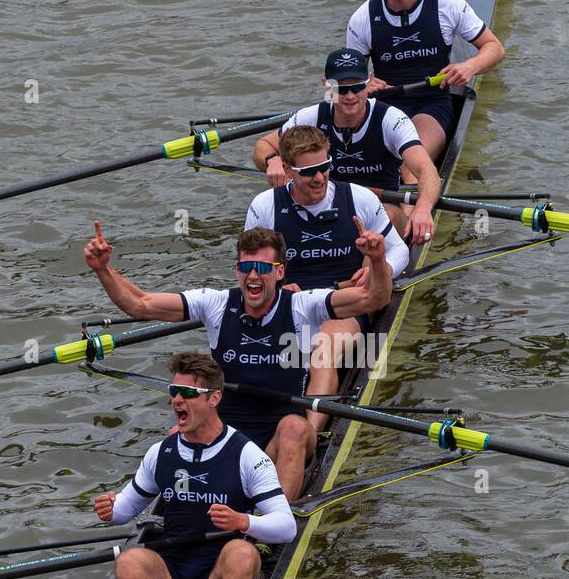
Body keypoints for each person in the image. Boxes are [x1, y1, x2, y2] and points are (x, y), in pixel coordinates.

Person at [84, 225, 392, 498]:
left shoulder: (301, 306)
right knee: (176, 436)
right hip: (226, 436)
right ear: (237, 271)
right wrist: (103, 270)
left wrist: (377, 260)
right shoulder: (216, 304)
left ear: (280, 272)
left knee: (295, 428)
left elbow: (372, 299)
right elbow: (140, 304)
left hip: (279, 439)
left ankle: (274, 529)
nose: (253, 275)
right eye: (246, 267)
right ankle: (177, 513)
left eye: (262, 267)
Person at [92, 352, 297, 579]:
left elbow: (286, 527)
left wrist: (244, 520)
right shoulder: (161, 453)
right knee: (130, 561)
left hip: (218, 578)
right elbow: (125, 509)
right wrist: (110, 508)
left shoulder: (246, 455)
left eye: (188, 393)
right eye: (174, 392)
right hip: (170, 575)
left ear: (214, 398)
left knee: (243, 554)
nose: (177, 400)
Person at [244, 126, 406, 432]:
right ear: (289, 170)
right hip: (293, 303)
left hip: (346, 302)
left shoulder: (357, 198)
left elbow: (400, 251)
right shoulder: (265, 206)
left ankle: (308, 440)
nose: (319, 178)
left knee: (321, 352)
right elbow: (249, 268)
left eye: (324, 167)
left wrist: (377, 265)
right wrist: (273, 288)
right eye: (309, 172)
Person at [346, 0, 505, 161]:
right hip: (385, 107)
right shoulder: (363, 18)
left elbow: (495, 48)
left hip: (431, 104)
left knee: (410, 162)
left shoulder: (447, 4)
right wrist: (364, 83)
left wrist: (470, 66)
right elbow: (341, 84)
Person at [251, 48, 440, 242]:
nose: (350, 96)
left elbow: (426, 169)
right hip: (323, 207)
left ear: (369, 81)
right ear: (326, 85)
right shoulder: (311, 117)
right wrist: (272, 160)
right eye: (340, 88)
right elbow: (264, 145)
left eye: (357, 87)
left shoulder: (391, 119)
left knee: (387, 215)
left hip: (380, 208)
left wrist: (424, 208)